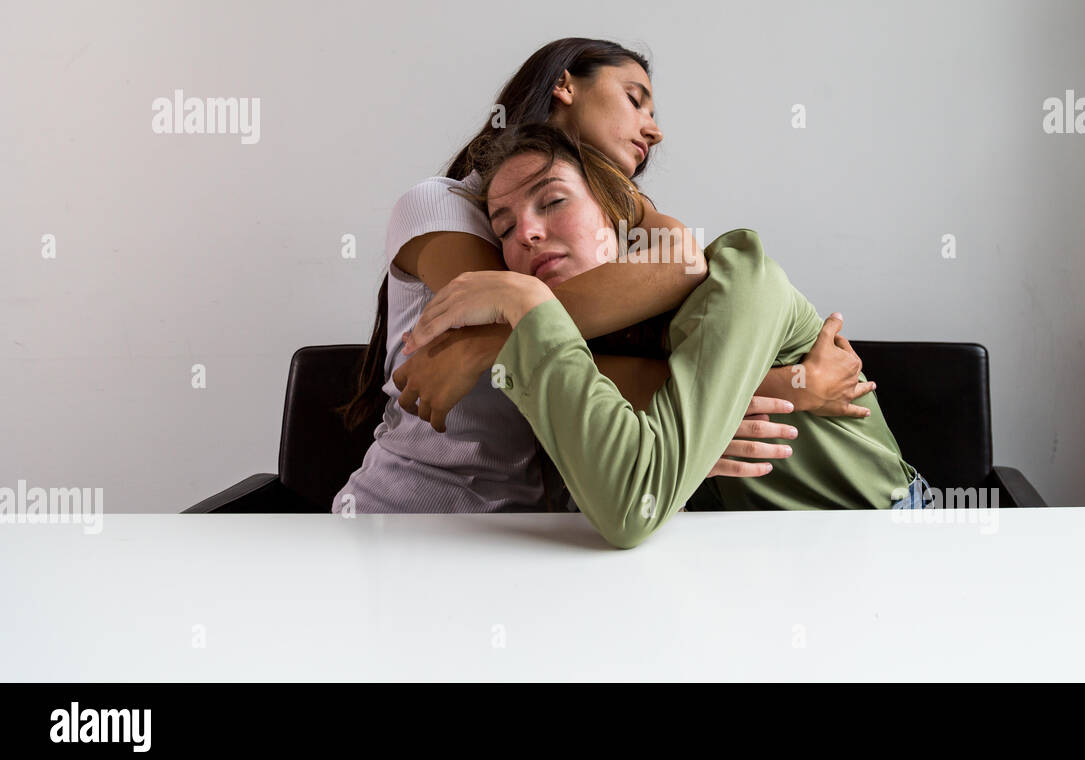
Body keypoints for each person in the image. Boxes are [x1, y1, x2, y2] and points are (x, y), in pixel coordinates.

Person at [332, 38, 872, 514]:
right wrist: (782, 390)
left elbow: (681, 260)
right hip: (414, 517)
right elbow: (552, 370)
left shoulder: (604, 231)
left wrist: (485, 344)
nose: (654, 130)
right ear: (565, 86)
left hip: (549, 539)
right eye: (635, 98)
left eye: (556, 201)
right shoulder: (442, 206)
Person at [412, 121, 934, 549]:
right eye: (503, 228)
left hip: (884, 536)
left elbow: (628, 504)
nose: (525, 232)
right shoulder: (575, 351)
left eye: (552, 202)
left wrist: (526, 302)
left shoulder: (740, 281)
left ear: (615, 214)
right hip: (739, 560)